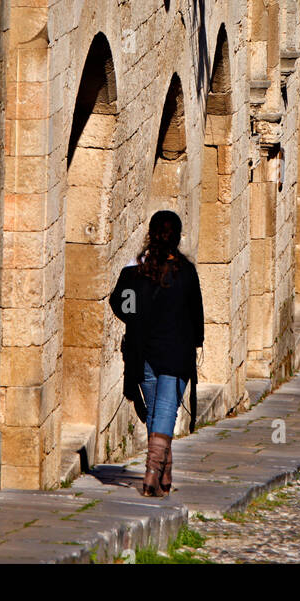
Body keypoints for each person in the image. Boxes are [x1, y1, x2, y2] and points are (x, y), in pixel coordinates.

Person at [110, 210, 204, 497]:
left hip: (144, 350)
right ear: (177, 237)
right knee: (164, 411)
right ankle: (151, 475)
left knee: (156, 412)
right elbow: (196, 315)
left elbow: (120, 304)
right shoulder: (185, 273)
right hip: (175, 352)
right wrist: (195, 343)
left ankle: (164, 474)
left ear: (150, 234)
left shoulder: (134, 271)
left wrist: (139, 321)